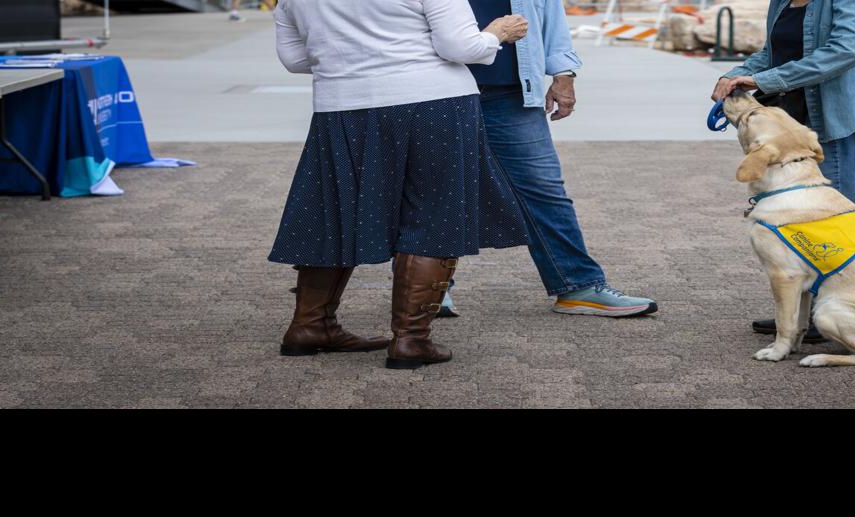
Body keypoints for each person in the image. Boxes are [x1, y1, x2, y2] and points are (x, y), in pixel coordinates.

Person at [268, 0, 530, 369]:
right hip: (433, 101)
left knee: (335, 212)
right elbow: (461, 47)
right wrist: (497, 33)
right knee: (433, 215)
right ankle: (411, 340)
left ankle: (310, 326)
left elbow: (295, 59)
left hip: (340, 105)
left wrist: (356, 54)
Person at [438, 0, 658, 319]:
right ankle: (429, 288)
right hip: (437, 87)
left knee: (544, 189)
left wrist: (564, 72)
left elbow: (551, 14)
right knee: (439, 188)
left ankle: (578, 286)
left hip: (512, 92)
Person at [712, 0, 855, 342]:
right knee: (800, 224)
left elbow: (847, 49)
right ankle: (800, 317)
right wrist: (737, 75)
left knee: (837, 220)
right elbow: (774, 51)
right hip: (796, 116)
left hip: (839, 115)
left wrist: (766, 79)